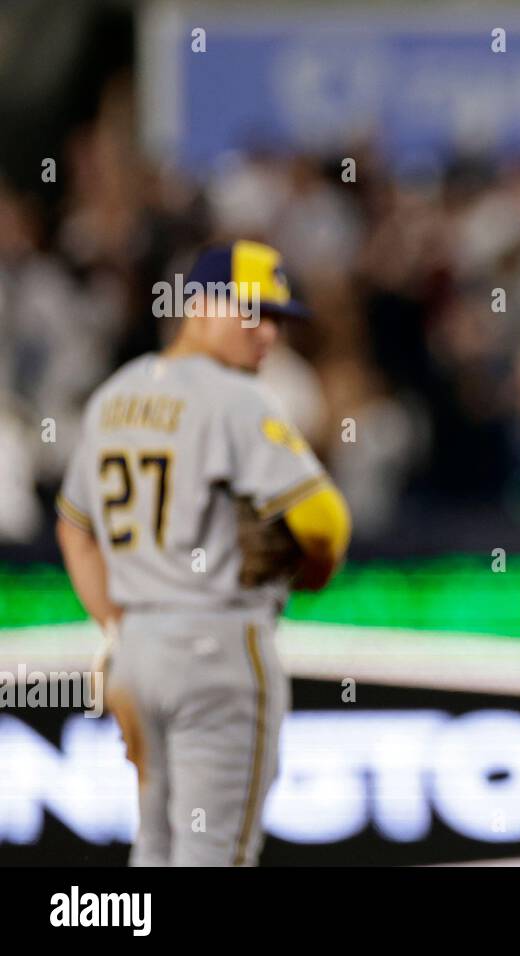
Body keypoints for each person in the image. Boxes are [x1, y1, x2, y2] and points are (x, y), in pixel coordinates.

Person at [56, 240, 352, 865]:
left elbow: (73, 528)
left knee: (156, 847)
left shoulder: (114, 394)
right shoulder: (237, 400)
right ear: (201, 306)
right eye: (252, 312)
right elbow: (327, 521)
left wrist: (116, 623)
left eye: (276, 318)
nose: (268, 332)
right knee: (214, 854)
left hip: (137, 653)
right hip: (218, 647)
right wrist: (314, 574)